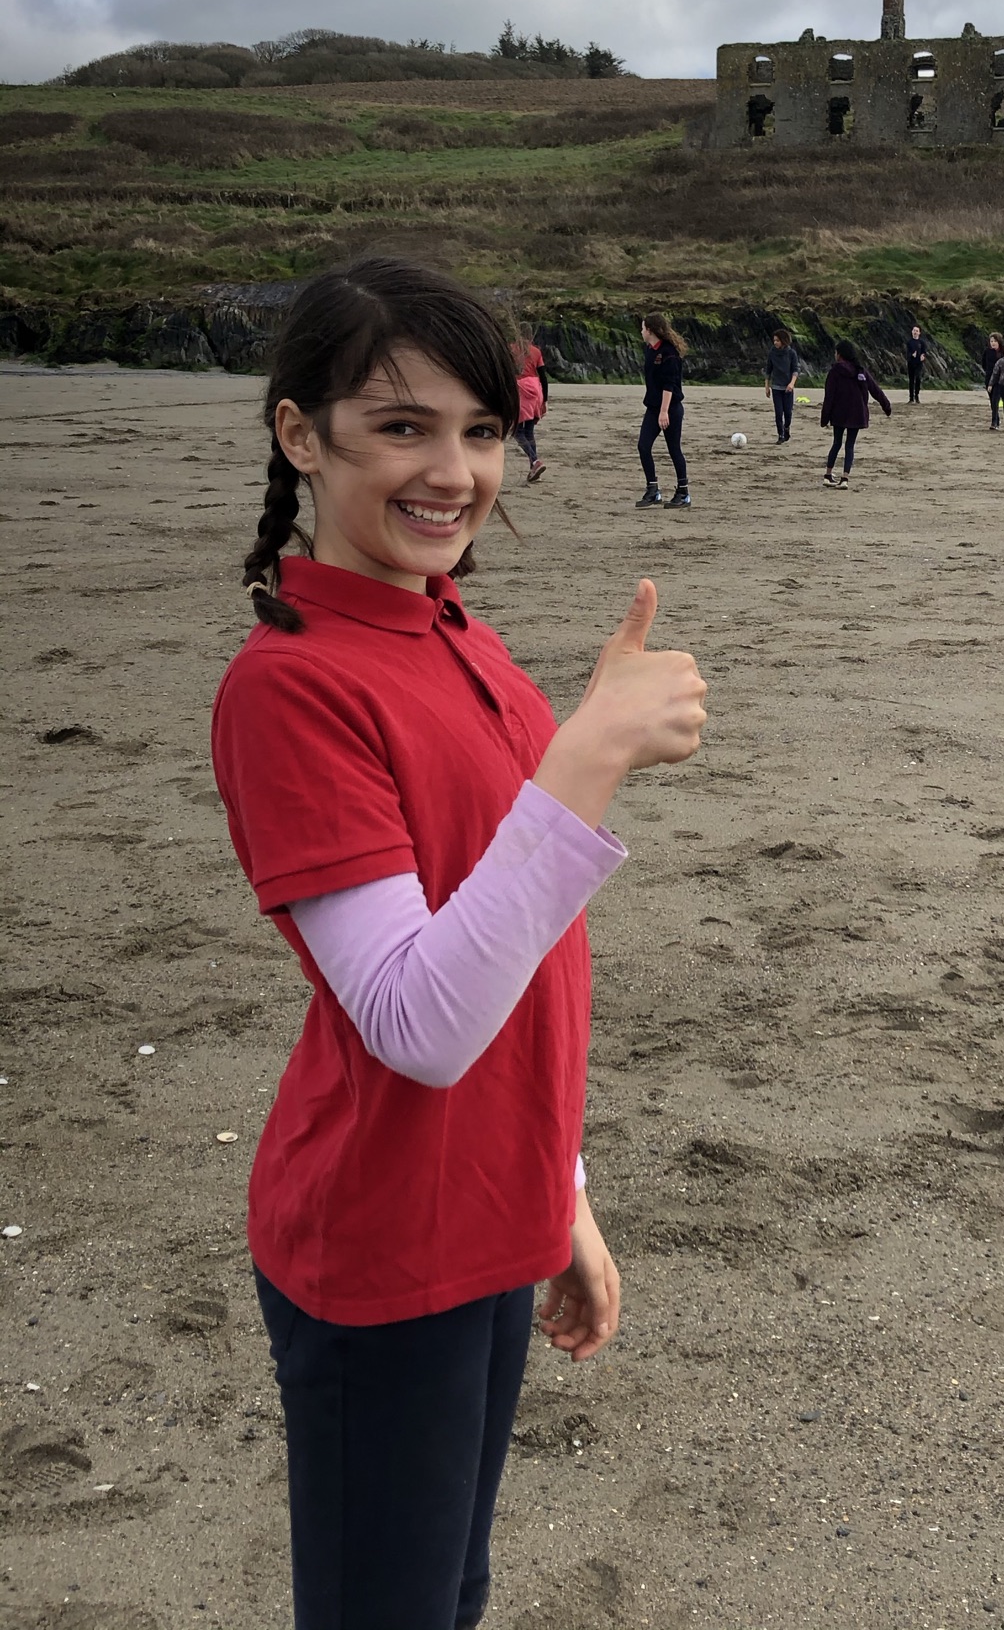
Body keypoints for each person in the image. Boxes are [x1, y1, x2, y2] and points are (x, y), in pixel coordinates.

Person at [213, 254, 709, 1630]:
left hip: (491, 1206)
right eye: (401, 427)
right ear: (299, 434)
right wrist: (589, 760)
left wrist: (561, 1195)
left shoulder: (454, 633)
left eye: (483, 430)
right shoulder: (293, 685)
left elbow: (524, 958)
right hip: (380, 1237)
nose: (454, 471)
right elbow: (419, 1024)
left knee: (451, 1587)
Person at [821, 338, 892, 487]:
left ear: (840, 354)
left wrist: (824, 418)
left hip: (839, 412)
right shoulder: (861, 370)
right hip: (857, 412)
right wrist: (886, 406)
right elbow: (875, 390)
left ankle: (828, 475)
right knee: (850, 445)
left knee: (836, 443)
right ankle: (844, 478)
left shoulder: (835, 371)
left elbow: (829, 396)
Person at [636, 313, 689, 509]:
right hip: (653, 407)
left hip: (671, 408)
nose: (641, 332)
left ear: (649, 330)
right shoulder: (650, 349)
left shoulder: (669, 353)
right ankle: (653, 490)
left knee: (674, 449)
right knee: (643, 446)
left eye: (643, 328)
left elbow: (669, 385)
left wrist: (664, 412)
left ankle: (683, 492)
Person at [510, 332, 548, 483]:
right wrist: (544, 399)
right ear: (530, 336)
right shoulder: (536, 351)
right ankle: (533, 467)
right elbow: (543, 376)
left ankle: (535, 461)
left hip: (520, 389)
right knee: (528, 431)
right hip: (535, 389)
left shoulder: (510, 349)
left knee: (517, 431)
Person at [765, 328, 801, 443]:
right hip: (776, 387)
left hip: (788, 388)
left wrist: (792, 383)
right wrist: (767, 386)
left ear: (784, 341)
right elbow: (768, 370)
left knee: (788, 412)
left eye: (777, 340)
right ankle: (780, 435)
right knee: (778, 413)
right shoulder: (772, 353)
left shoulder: (791, 353)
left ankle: (786, 428)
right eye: (774, 340)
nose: (775, 342)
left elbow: (795, 370)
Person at [981, 332, 1004, 423]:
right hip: (989, 379)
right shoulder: (987, 351)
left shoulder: (1002, 352)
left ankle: (994, 421)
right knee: (992, 401)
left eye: (995, 341)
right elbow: (984, 364)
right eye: (991, 341)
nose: (993, 343)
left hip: (1000, 380)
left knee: (995, 400)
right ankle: (996, 418)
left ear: (999, 341)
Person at [905, 322, 929, 403]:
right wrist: (912, 355)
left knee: (918, 378)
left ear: (919, 333)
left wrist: (923, 355)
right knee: (911, 380)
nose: (915, 332)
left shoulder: (922, 342)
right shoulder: (909, 342)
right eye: (914, 330)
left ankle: (917, 396)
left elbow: (924, 351)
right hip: (911, 362)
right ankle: (911, 398)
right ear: (912, 332)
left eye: (917, 331)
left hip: (919, 363)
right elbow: (907, 353)